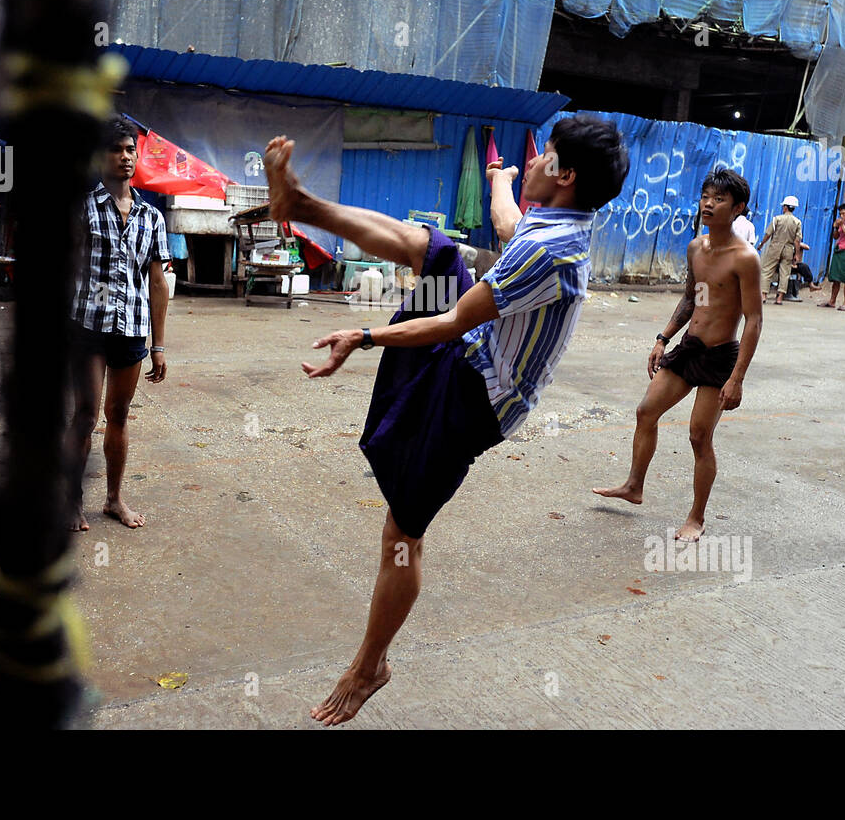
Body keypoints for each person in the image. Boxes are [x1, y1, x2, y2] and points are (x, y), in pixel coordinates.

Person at [263, 115, 629, 725]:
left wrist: (366, 333)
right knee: (433, 248)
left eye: (544, 157)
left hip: (475, 397)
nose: (532, 161)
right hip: (472, 354)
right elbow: (511, 222)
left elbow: (451, 321)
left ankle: (369, 667)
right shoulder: (560, 219)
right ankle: (300, 203)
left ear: (564, 175)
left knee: (401, 538)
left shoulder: (549, 252)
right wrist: (498, 178)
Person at [594, 168, 763, 542]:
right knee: (645, 411)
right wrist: (663, 338)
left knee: (699, 437)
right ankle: (634, 486)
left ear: (738, 208)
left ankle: (696, 517)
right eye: (706, 196)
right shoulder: (696, 249)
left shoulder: (744, 258)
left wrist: (737, 378)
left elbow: (753, 321)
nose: (708, 203)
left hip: (720, 357)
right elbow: (694, 297)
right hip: (688, 349)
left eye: (719, 199)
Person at [64, 116, 171, 530]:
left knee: (119, 414)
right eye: (115, 149)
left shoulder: (151, 217)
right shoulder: (82, 207)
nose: (124, 157)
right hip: (87, 325)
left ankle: (113, 500)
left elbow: (157, 283)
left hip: (130, 329)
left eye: (130, 150)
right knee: (86, 414)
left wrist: (158, 345)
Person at [757, 195, 802, 305]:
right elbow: (797, 240)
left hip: (775, 247)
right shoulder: (797, 222)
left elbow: (768, 233)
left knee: (767, 271)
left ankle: (763, 296)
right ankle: (779, 298)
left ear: (785, 207)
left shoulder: (776, 219)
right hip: (788, 249)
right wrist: (796, 254)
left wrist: (761, 244)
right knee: (785, 273)